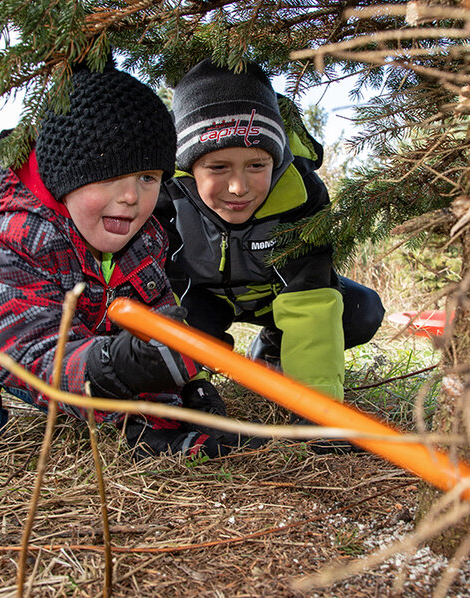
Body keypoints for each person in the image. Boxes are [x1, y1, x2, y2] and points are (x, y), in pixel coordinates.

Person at [0, 59, 250, 459]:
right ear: (65, 179)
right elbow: (37, 359)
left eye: (147, 178)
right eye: (108, 177)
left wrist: (178, 389)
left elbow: (156, 321)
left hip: (67, 329)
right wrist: (116, 368)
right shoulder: (14, 243)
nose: (131, 197)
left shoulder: (145, 236)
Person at [156, 59, 385, 435]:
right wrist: (182, 386)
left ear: (275, 160)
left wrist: (319, 408)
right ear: (188, 165)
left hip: (274, 296)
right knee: (181, 334)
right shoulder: (165, 193)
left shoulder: (300, 194)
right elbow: (161, 296)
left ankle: (274, 349)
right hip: (200, 300)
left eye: (256, 166)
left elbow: (310, 299)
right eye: (218, 168)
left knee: (361, 310)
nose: (238, 187)